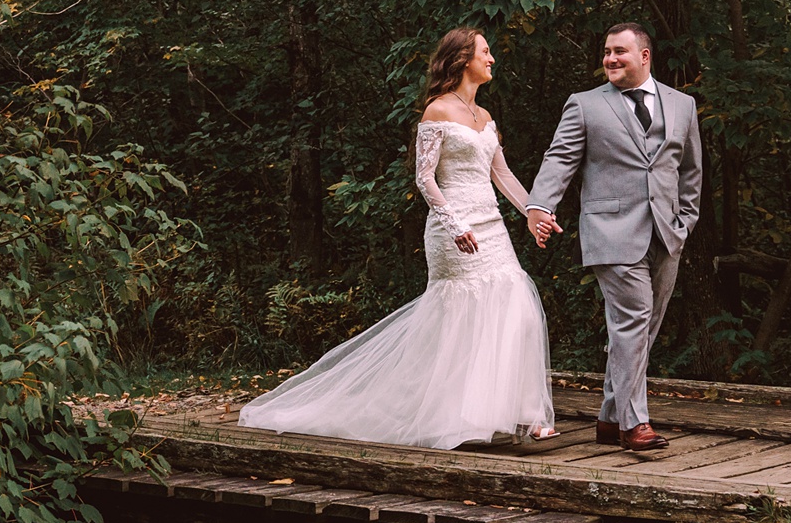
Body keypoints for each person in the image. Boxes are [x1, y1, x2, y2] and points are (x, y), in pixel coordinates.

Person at [238, 26, 557, 448]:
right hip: (454, 231)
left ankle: (521, 412)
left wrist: (534, 212)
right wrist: (454, 223)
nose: (492, 58)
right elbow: (425, 179)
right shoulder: (437, 112)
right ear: (463, 59)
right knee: (464, 316)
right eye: (485, 52)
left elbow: (502, 175)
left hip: (492, 227)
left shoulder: (485, 117)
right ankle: (459, 415)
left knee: (515, 305)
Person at [524, 23, 702, 451]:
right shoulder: (585, 105)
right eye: (606, 52)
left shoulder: (682, 105)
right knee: (632, 322)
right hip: (611, 230)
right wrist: (539, 206)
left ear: (644, 56)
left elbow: (691, 171)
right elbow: (560, 158)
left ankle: (608, 416)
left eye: (619, 51)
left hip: (667, 231)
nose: (610, 59)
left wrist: (685, 221)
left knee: (643, 327)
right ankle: (633, 423)